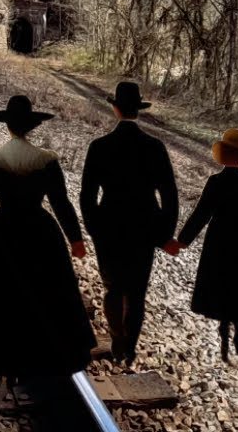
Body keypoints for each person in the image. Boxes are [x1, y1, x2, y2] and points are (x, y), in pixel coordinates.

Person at [0, 95, 96, 383]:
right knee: (46, 291)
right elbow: (61, 203)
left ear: (7, 126)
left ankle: (2, 353)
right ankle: (42, 354)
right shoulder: (47, 160)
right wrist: (76, 240)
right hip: (41, 230)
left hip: (2, 231)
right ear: (31, 127)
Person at [79, 81, 180, 362]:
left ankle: (116, 340)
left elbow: (87, 195)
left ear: (115, 109)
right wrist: (164, 234)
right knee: (136, 292)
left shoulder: (99, 147)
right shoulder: (155, 147)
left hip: (108, 226)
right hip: (144, 228)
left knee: (113, 288)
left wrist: (93, 227)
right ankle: (130, 348)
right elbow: (170, 195)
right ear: (138, 110)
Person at [173, 128, 238, 362]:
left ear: (223, 156)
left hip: (219, 242)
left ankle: (224, 330)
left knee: (222, 284)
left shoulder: (215, 182)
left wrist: (182, 240)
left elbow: (201, 214)